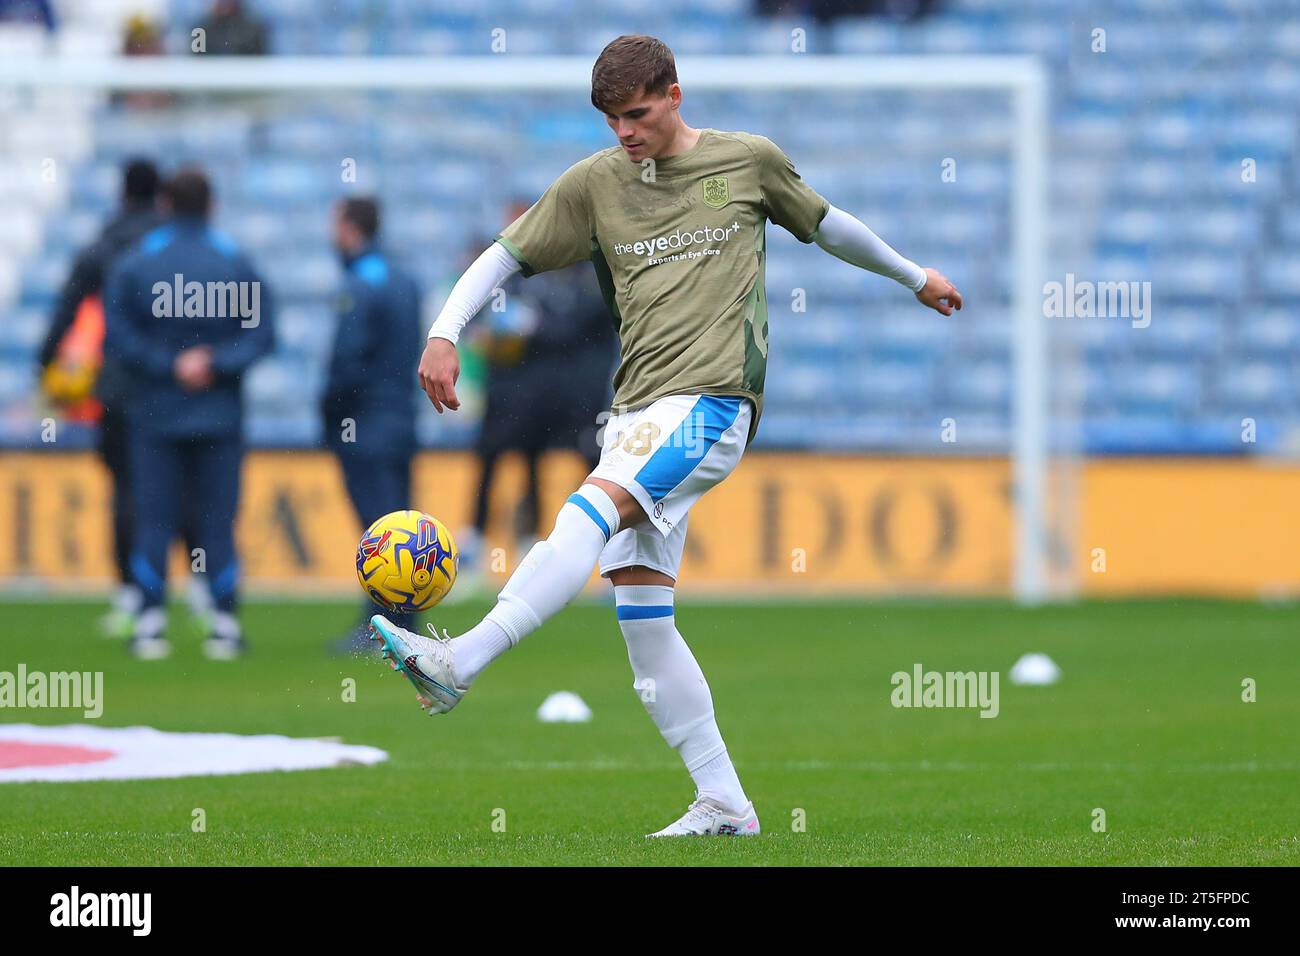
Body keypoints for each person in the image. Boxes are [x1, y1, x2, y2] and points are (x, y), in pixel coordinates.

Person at [370, 35, 961, 836]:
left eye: (638, 114)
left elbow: (826, 226)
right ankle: (725, 801)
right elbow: (504, 257)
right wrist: (444, 333)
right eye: (613, 119)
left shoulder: (746, 162)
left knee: (589, 509)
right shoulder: (595, 184)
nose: (625, 133)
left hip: (714, 403)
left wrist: (913, 275)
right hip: (636, 412)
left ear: (675, 95)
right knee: (643, 621)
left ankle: (461, 658)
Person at [103, 167, 274, 660]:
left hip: (155, 413)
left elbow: (118, 335)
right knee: (218, 519)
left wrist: (168, 363)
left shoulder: (139, 262)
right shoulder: (234, 259)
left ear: (165, 205)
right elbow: (263, 333)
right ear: (211, 204)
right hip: (219, 414)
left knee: (153, 516)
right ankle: (222, 623)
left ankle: (150, 622)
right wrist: (217, 362)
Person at [458, 202, 617, 581]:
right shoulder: (510, 278)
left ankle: (614, 560)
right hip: (510, 394)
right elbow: (480, 325)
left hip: (571, 396)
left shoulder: (582, 276)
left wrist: (531, 327)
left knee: (588, 465)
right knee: (496, 460)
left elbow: (570, 329)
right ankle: (478, 548)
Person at [39, 159, 163, 639]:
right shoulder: (170, 242)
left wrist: (45, 362)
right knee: (183, 486)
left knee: (126, 489)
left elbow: (67, 304)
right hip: (169, 389)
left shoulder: (105, 242)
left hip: (117, 386)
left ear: (122, 192)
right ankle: (203, 588)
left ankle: (132, 590)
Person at [323, 197, 422, 653]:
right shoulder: (403, 279)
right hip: (400, 418)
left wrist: (330, 413)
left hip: (364, 423)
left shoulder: (360, 283)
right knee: (398, 526)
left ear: (348, 229)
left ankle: (381, 625)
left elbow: (347, 361)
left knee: (379, 533)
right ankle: (406, 621)